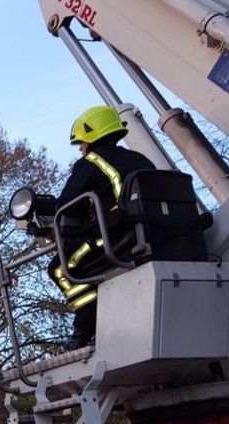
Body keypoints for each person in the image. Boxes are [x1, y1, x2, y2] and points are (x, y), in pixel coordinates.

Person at [48, 105, 156, 350]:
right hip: (159, 231)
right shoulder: (140, 158)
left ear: (90, 136)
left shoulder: (90, 162)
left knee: (60, 267)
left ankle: (87, 325)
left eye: (81, 143)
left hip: (122, 233)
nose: (80, 149)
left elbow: (66, 206)